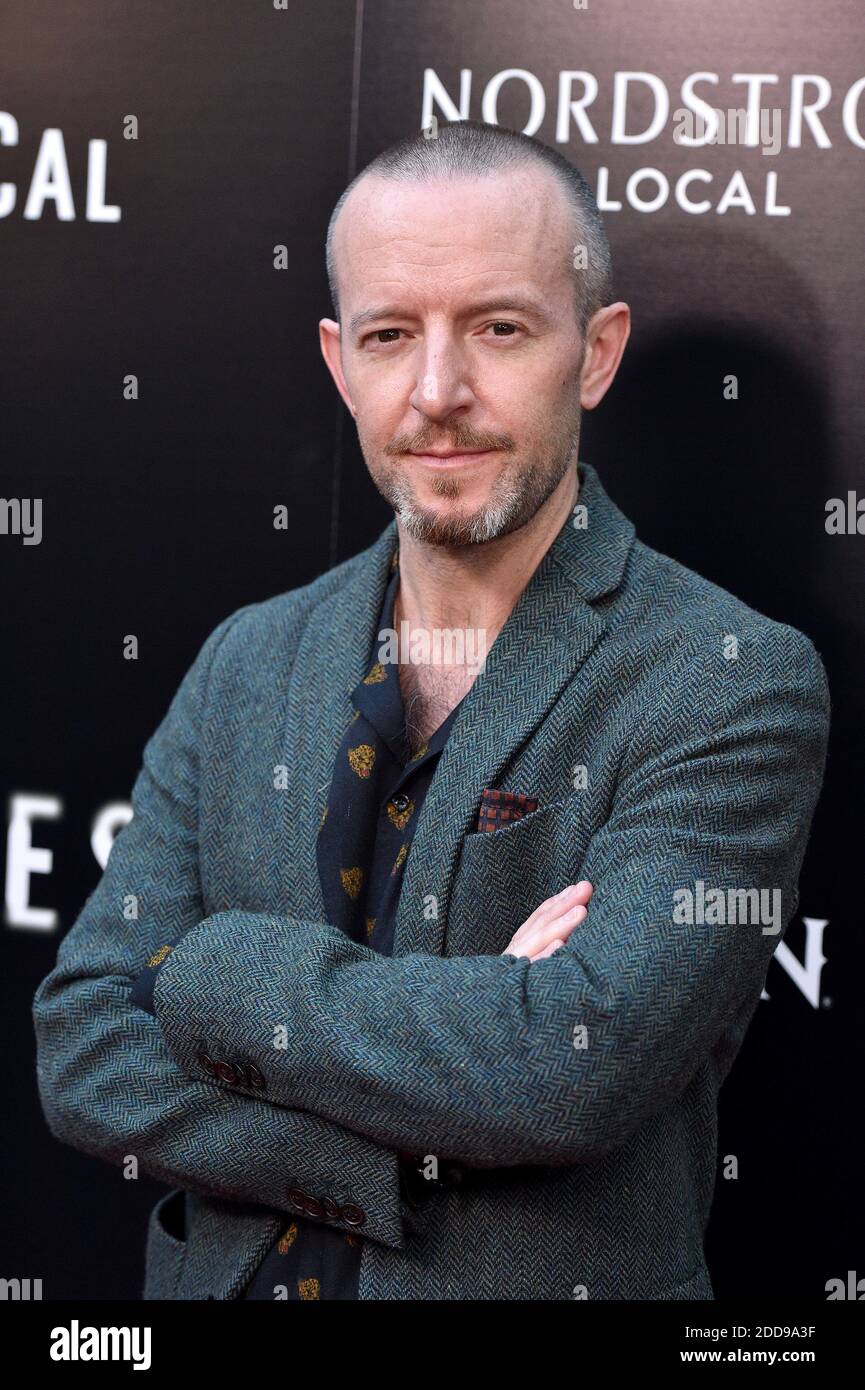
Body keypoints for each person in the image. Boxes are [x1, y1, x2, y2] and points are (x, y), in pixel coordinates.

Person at [33, 120, 830, 1301]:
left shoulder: (727, 676)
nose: (439, 391)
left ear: (596, 351)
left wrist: (200, 970)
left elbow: (569, 1066)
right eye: (391, 335)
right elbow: (85, 1048)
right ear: (339, 361)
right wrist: (447, 1079)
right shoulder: (247, 657)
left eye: (499, 328)